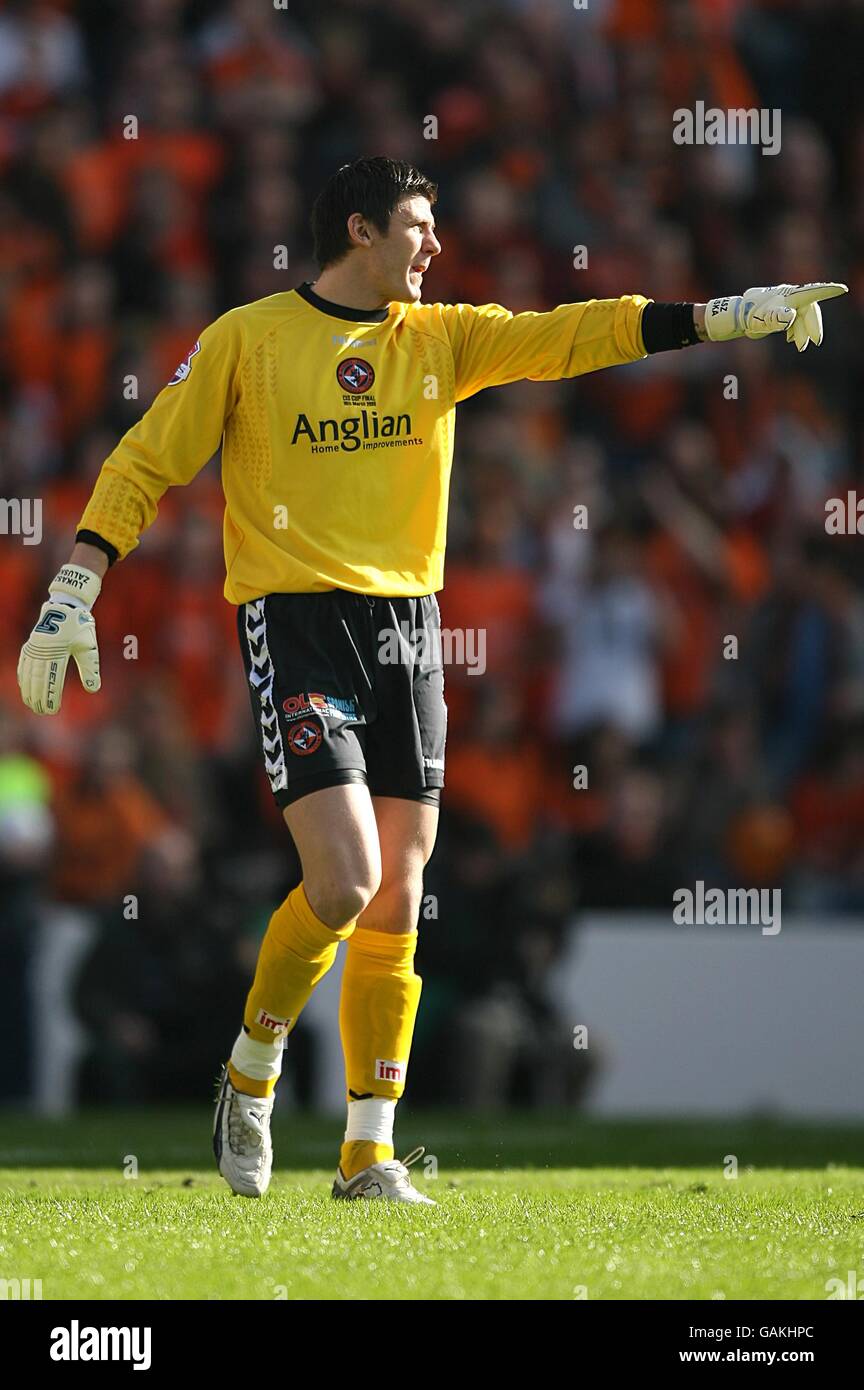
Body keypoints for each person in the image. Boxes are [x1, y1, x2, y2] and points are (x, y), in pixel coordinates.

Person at [16, 155, 846, 1203]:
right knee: (344, 880)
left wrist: (723, 317)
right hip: (299, 621)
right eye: (418, 224)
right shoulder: (250, 339)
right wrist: (72, 593)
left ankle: (369, 1151)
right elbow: (142, 463)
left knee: (400, 894)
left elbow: (576, 333)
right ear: (360, 230)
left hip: (409, 625)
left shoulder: (442, 339)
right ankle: (252, 1070)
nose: (435, 243)